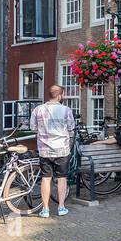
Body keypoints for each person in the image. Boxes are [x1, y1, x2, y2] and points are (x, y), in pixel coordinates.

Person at [28, 85, 76, 217]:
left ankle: (45, 209)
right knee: (62, 178)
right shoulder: (66, 110)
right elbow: (71, 127)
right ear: (60, 95)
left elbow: (32, 127)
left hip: (44, 149)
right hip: (62, 149)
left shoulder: (38, 109)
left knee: (46, 178)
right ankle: (61, 207)